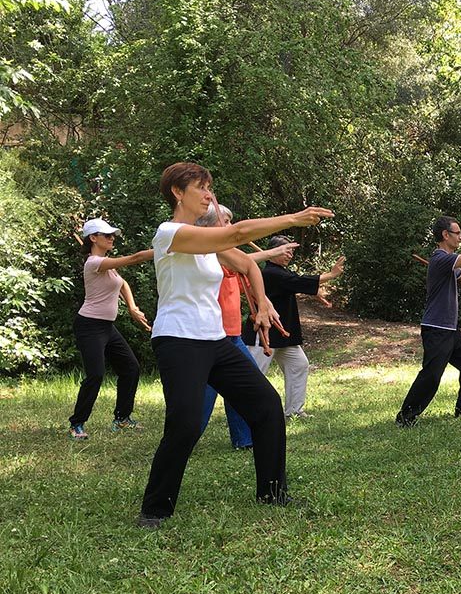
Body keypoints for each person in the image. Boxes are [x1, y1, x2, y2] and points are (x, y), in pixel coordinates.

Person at [137, 161, 332, 528]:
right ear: (178, 192)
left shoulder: (207, 240)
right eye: (201, 187)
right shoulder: (170, 234)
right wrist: (293, 218)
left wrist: (263, 303)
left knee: (267, 406)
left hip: (216, 341)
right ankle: (155, 508)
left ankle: (273, 492)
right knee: (186, 424)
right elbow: (237, 233)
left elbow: (247, 263)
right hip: (179, 339)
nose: (209, 194)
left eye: (210, 187)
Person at [194, 204, 298, 449]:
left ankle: (244, 439)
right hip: (211, 338)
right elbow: (243, 264)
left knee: (245, 386)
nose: (229, 227)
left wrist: (266, 306)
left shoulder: (227, 254)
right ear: (208, 227)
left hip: (232, 336)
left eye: (231, 222)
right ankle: (183, 440)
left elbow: (247, 283)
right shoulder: (206, 253)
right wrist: (270, 254)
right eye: (225, 222)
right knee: (205, 397)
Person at [395, 215, 461, 427]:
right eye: (457, 233)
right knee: (432, 375)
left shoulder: (448, 264)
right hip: (437, 328)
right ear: (445, 235)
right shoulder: (440, 259)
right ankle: (406, 417)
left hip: (450, 329)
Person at [241, 236, 345, 419]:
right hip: (264, 332)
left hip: (284, 334)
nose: (289, 254)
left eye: (291, 251)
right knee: (254, 375)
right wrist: (331, 274)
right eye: (285, 250)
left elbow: (294, 282)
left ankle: (294, 411)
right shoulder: (271, 273)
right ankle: (244, 415)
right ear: (273, 252)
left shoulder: (280, 272)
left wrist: (314, 292)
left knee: (299, 364)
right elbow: (298, 282)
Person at [68, 218, 153, 440]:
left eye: (112, 234)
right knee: (95, 375)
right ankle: (76, 424)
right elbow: (134, 259)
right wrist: (163, 249)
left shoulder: (108, 266)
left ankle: (122, 419)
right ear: (93, 238)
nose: (112, 238)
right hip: (89, 326)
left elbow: (122, 283)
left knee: (131, 368)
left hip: (107, 327)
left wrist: (133, 308)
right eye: (107, 235)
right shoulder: (94, 263)